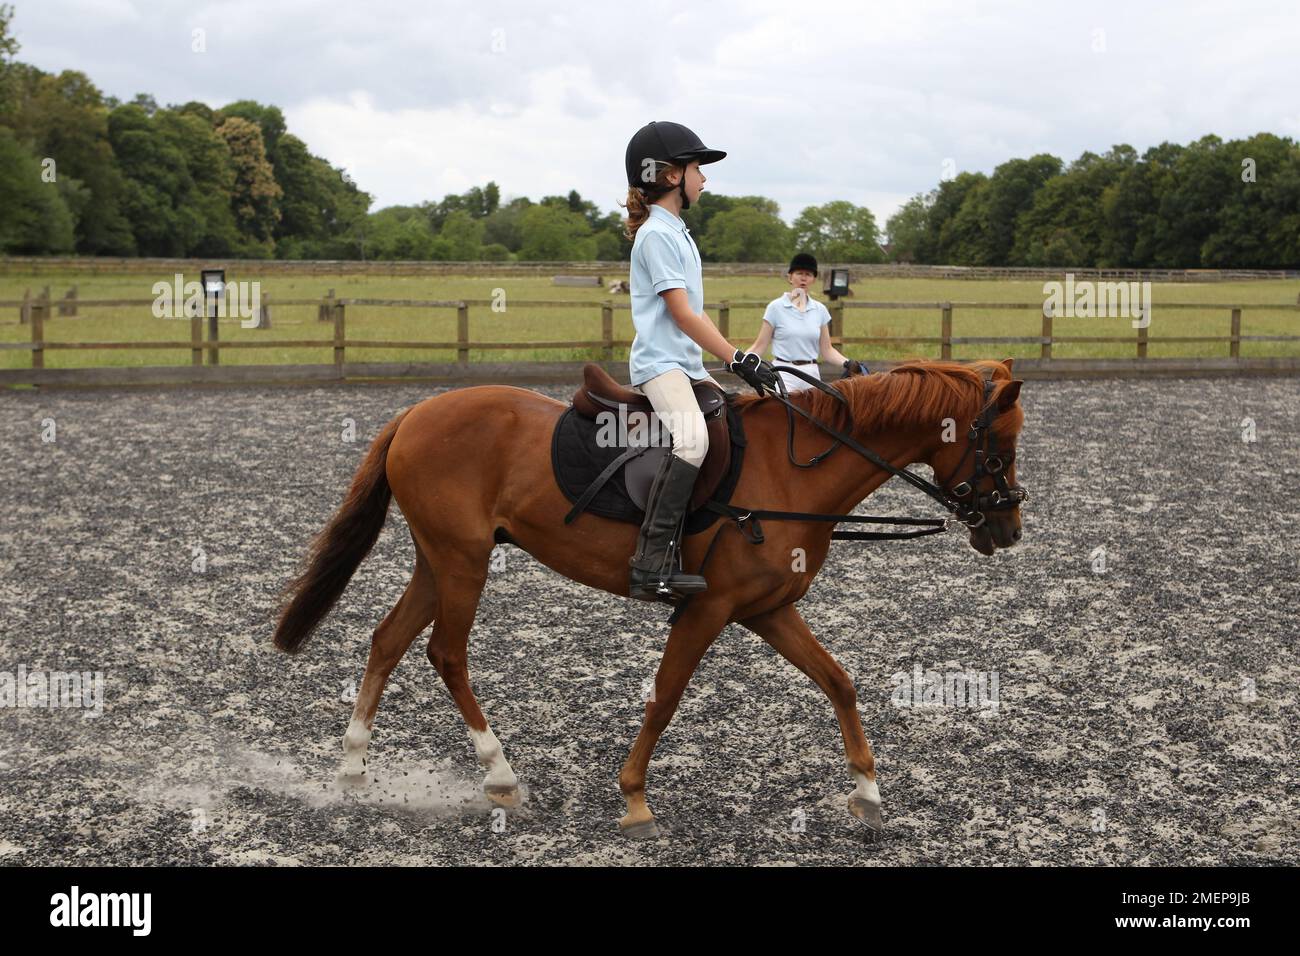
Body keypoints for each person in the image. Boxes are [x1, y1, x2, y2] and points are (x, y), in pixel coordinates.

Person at [620, 120, 778, 602]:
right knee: (691, 442)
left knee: (731, 428)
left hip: (685, 364)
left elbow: (696, 312)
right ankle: (649, 563)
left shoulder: (677, 232)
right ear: (671, 176)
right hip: (660, 365)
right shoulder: (657, 236)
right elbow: (682, 313)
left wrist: (737, 359)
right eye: (697, 168)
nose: (704, 179)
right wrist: (737, 358)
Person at [746, 252, 869, 391]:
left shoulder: (820, 310)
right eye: (799, 273)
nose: (803, 278)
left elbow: (827, 350)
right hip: (784, 373)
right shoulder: (775, 308)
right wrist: (737, 360)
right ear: (790, 277)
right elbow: (759, 346)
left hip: (811, 374)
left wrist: (847, 363)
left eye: (808, 274)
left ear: (813, 280)